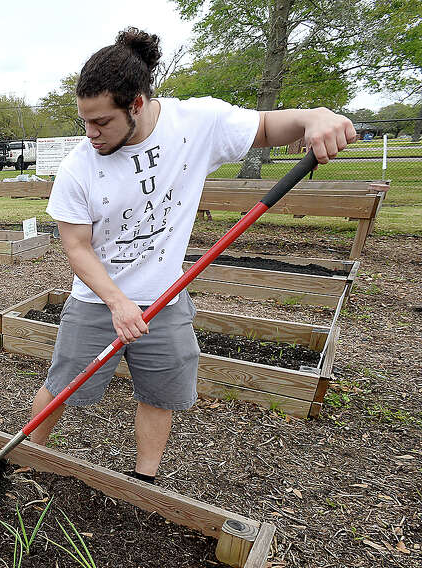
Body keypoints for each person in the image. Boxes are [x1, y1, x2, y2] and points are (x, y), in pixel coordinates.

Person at [31, 27, 355, 483]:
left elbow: (266, 127)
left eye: (101, 122)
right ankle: (23, 462)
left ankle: (145, 482)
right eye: (85, 120)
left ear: (137, 105)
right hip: (96, 300)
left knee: (160, 393)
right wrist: (118, 303)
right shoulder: (78, 167)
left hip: (166, 295)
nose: (91, 133)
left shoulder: (196, 123)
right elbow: (77, 248)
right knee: (62, 386)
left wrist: (315, 117)